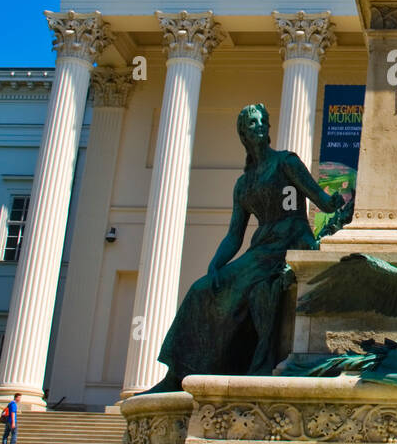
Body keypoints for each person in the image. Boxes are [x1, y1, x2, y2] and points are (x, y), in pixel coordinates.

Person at [141, 104, 347, 391]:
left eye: (263, 120)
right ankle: (179, 373)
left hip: (291, 240)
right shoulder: (244, 184)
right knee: (202, 289)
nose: (259, 125)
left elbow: (320, 200)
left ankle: (241, 365)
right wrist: (215, 266)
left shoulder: (286, 162)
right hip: (261, 249)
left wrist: (341, 203)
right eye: (252, 123)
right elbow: (234, 235)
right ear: (243, 132)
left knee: (259, 291)